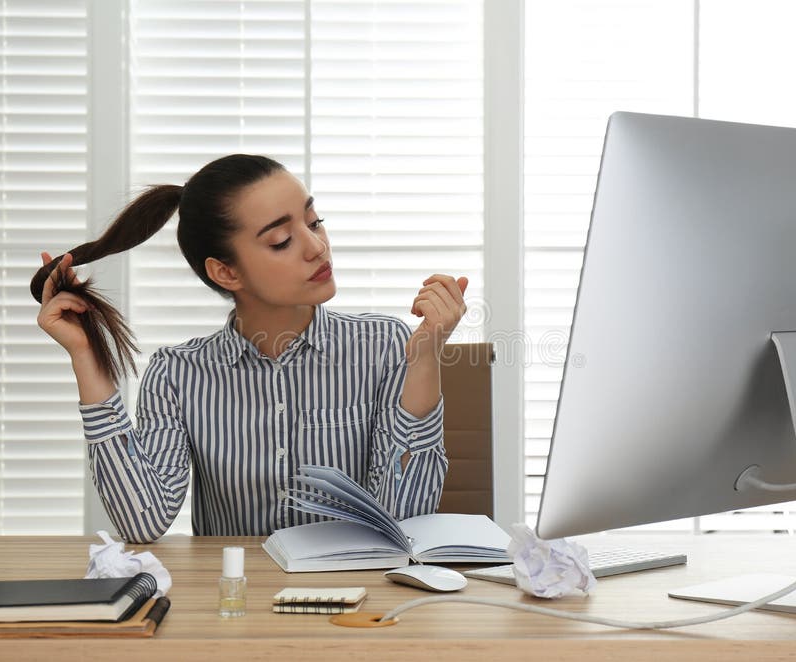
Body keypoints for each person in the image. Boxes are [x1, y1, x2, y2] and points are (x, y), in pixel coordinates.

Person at [31, 154, 468, 543]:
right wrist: (87, 358)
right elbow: (142, 522)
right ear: (226, 273)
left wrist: (425, 361)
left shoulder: (385, 346)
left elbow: (403, 521)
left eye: (314, 222)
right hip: (236, 599)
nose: (317, 247)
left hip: (356, 598)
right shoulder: (177, 374)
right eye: (282, 241)